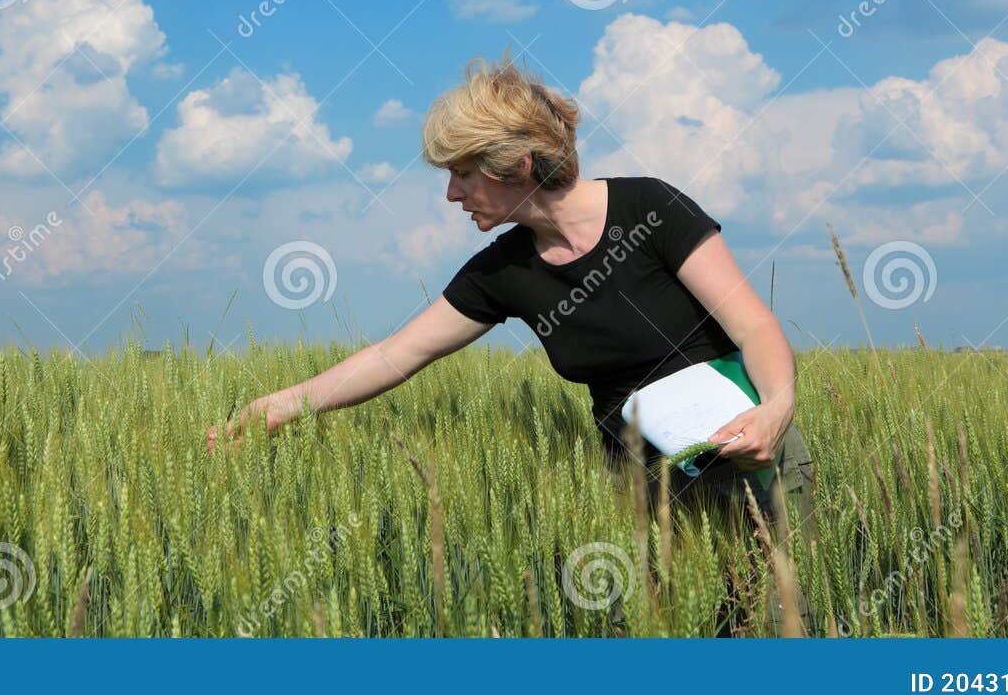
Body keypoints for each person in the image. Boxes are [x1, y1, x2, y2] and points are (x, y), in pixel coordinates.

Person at [206, 53, 816, 576]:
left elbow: (754, 326)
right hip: (642, 485)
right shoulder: (503, 271)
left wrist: (774, 414)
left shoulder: (649, 208)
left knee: (782, 629)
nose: (451, 193)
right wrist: (279, 407)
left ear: (517, 163)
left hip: (746, 455)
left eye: (463, 173)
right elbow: (397, 354)